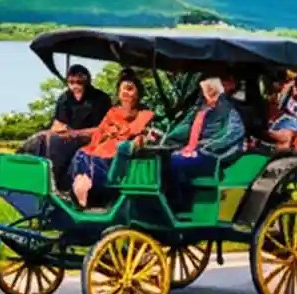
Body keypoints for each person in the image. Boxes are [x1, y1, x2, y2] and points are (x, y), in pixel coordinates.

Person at [16, 64, 111, 190]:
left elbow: (102, 129)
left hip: (93, 138)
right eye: (71, 82)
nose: (75, 86)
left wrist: (73, 133)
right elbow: (58, 123)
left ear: (87, 81)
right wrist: (59, 130)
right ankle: (24, 175)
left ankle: (59, 186)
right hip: (66, 136)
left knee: (57, 142)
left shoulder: (100, 99)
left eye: (79, 82)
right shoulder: (64, 98)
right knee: (40, 138)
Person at [69, 69, 154, 208]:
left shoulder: (145, 115)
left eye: (130, 89)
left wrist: (137, 139)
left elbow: (146, 137)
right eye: (122, 90)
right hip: (99, 150)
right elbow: (97, 135)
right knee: (82, 155)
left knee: (94, 161)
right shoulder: (112, 112)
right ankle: (81, 193)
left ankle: (85, 194)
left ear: (138, 93)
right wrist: (106, 134)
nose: (126, 93)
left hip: (119, 158)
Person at [161, 77, 246, 209]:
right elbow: (181, 131)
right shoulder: (197, 111)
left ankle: (180, 204)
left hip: (212, 156)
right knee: (161, 158)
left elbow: (231, 136)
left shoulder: (229, 111)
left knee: (177, 162)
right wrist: (166, 143)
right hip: (191, 151)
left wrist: (203, 148)